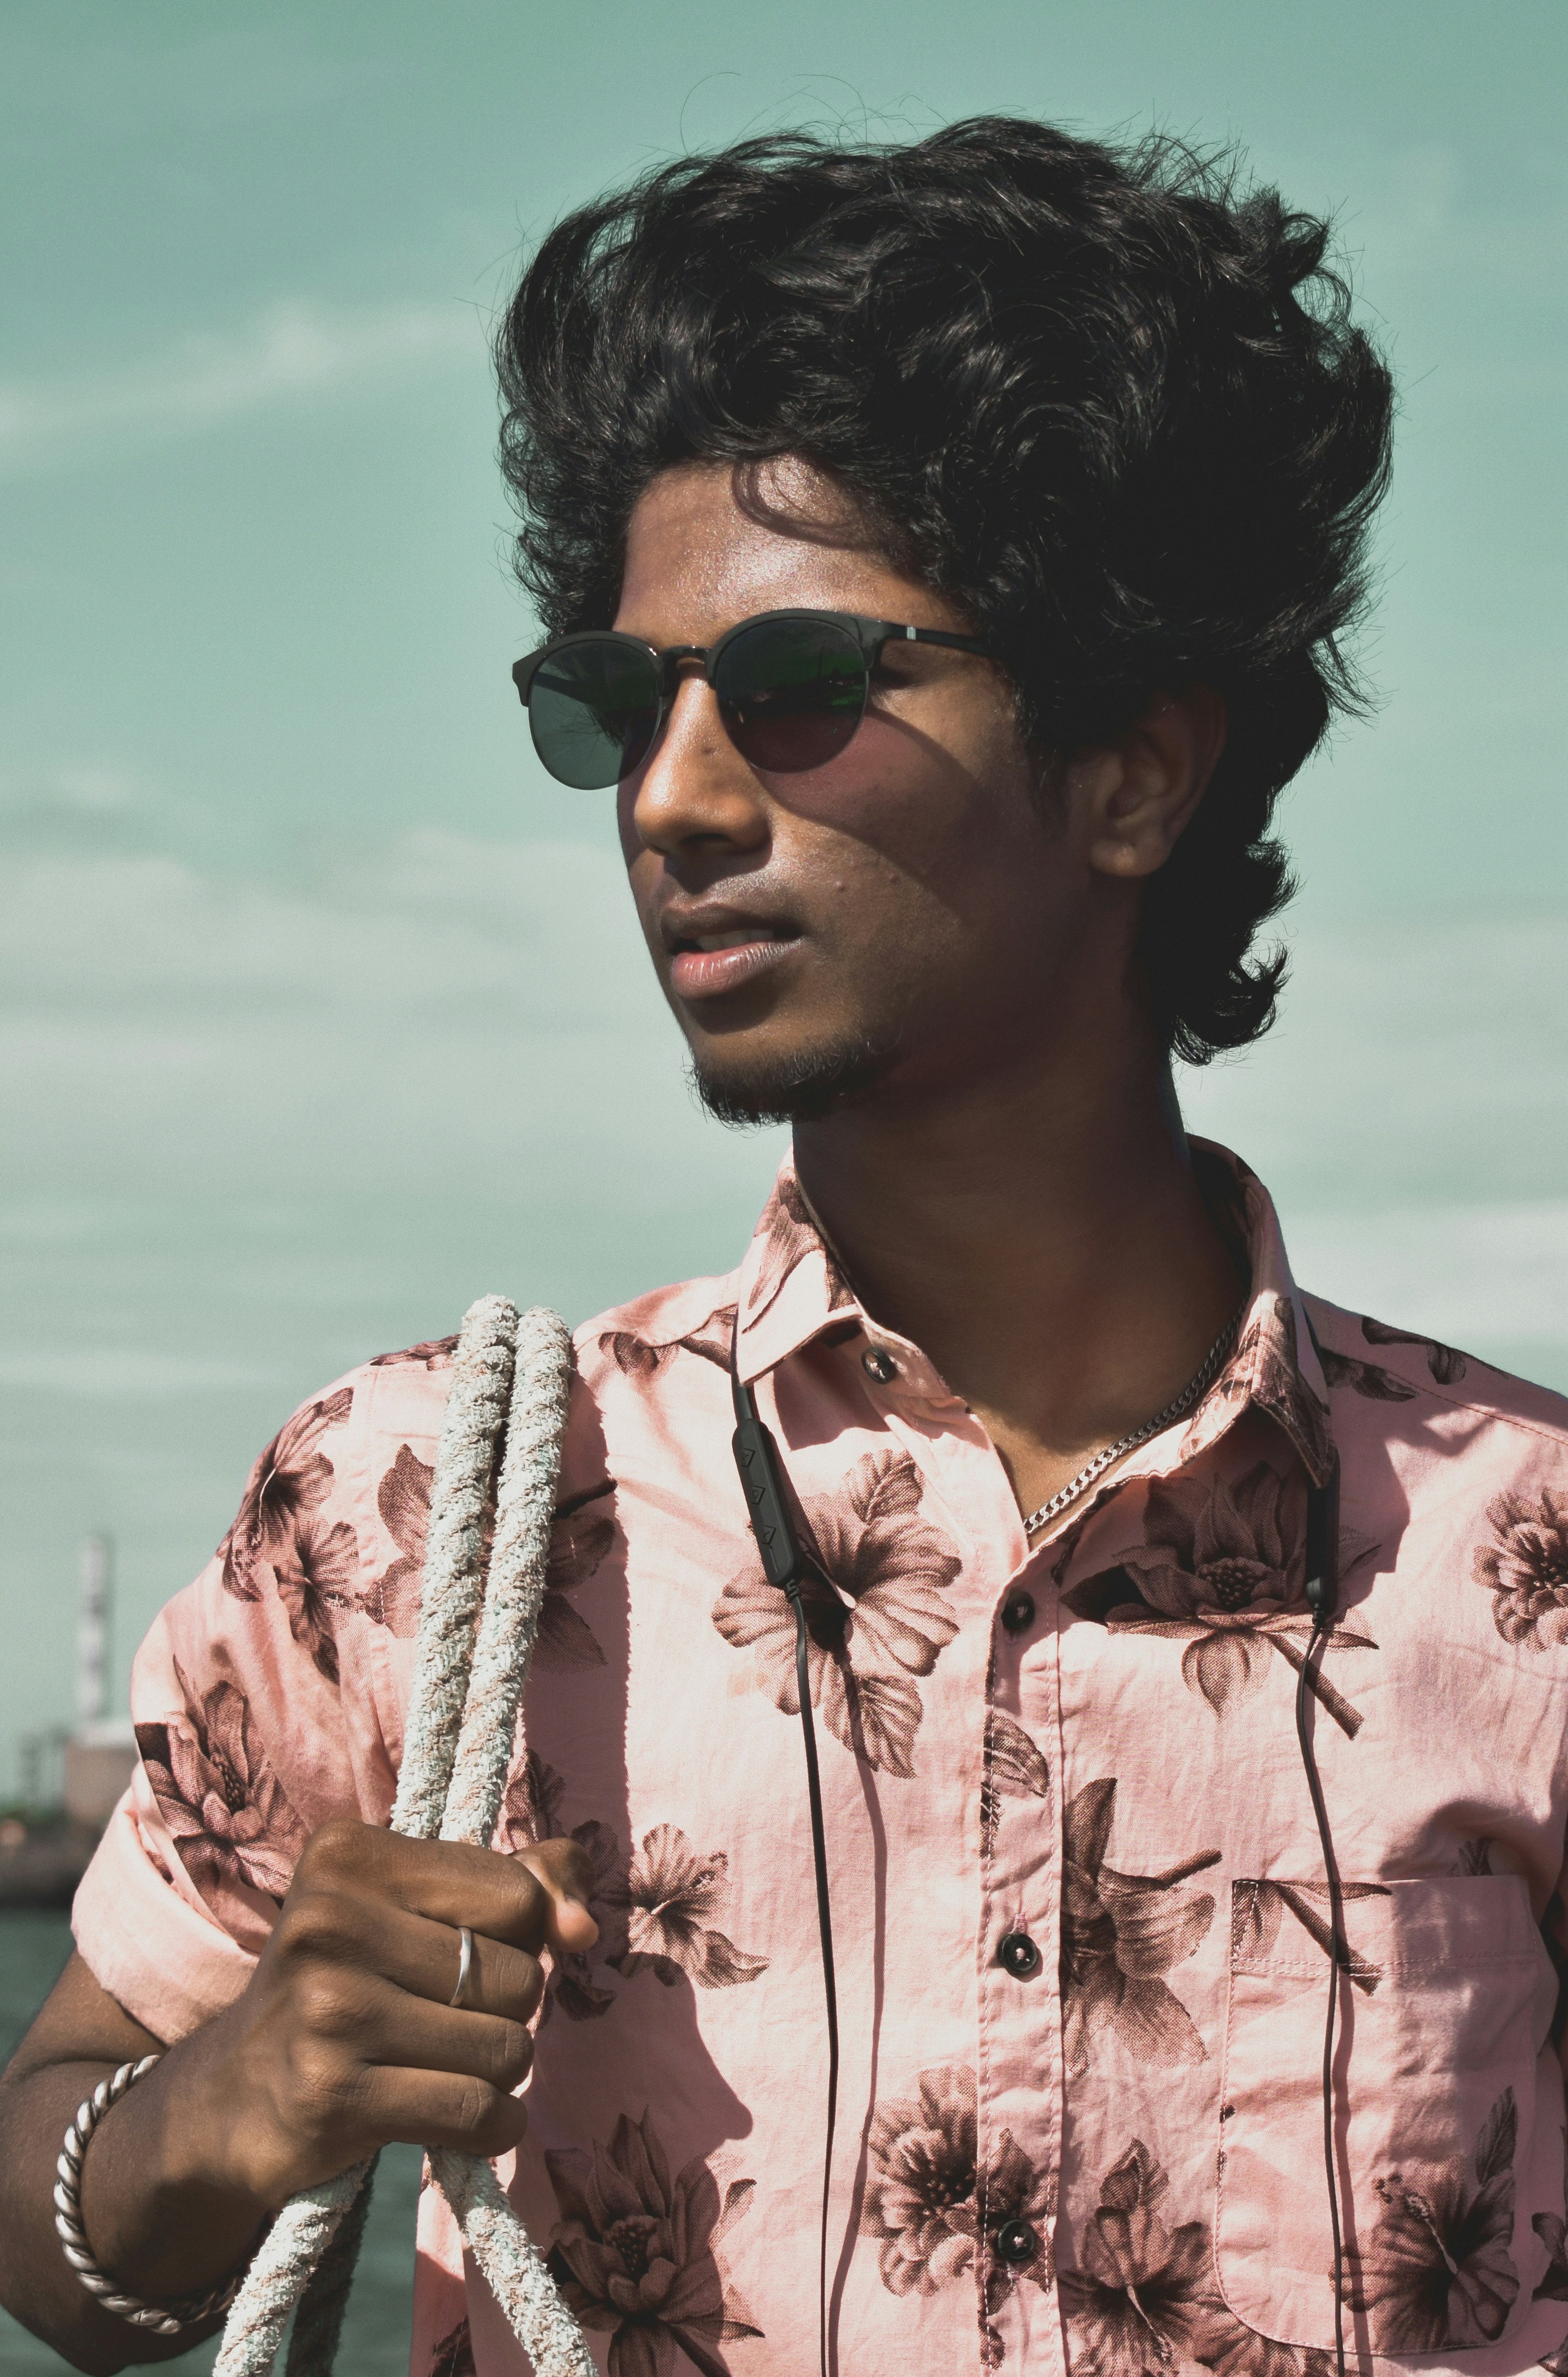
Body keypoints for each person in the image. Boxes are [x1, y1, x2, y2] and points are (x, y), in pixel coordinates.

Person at [3, 113, 1566, 2377]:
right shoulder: (429, 1509)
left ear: (1134, 772)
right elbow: (63, 2245)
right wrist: (233, 2110)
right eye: (620, 706)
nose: (673, 794)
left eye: (801, 685)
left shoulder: (1518, 1563)